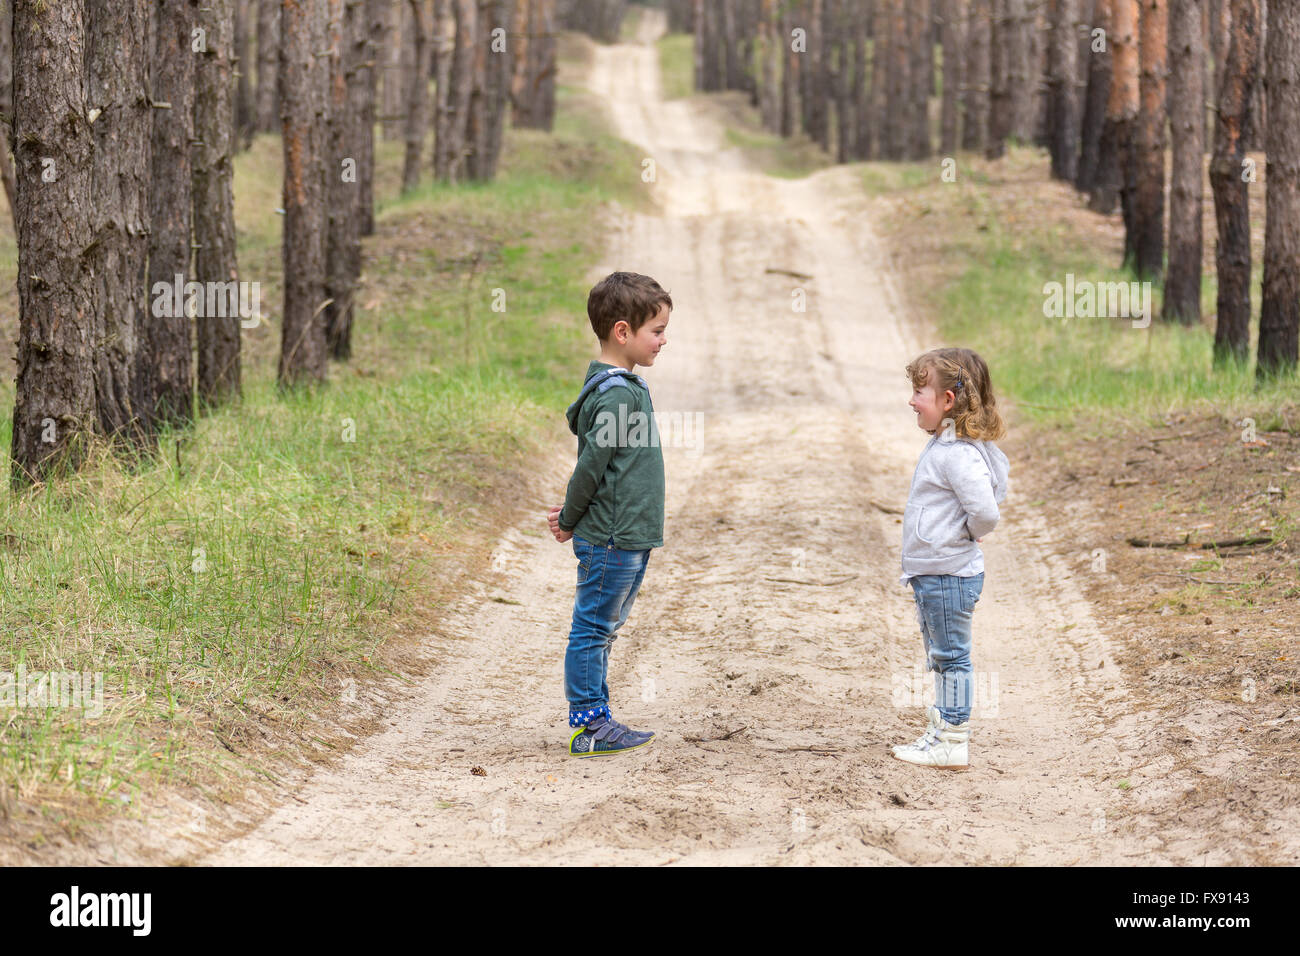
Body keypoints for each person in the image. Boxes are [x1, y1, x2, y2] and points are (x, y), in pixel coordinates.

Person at [546, 272, 672, 757]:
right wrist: (570, 518)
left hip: (629, 535)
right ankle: (590, 726)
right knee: (593, 628)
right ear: (623, 332)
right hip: (612, 536)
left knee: (604, 627)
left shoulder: (624, 387)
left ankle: (597, 718)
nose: (662, 342)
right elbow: (590, 466)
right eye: (655, 332)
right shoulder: (617, 393)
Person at [894, 347, 1009, 769]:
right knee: (942, 657)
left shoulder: (959, 453)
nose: (912, 399)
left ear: (948, 400)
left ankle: (954, 738)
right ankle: (943, 731)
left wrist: (967, 535)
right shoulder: (948, 444)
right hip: (936, 572)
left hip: (948, 573)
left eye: (920, 390)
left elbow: (986, 511)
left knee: (952, 658)